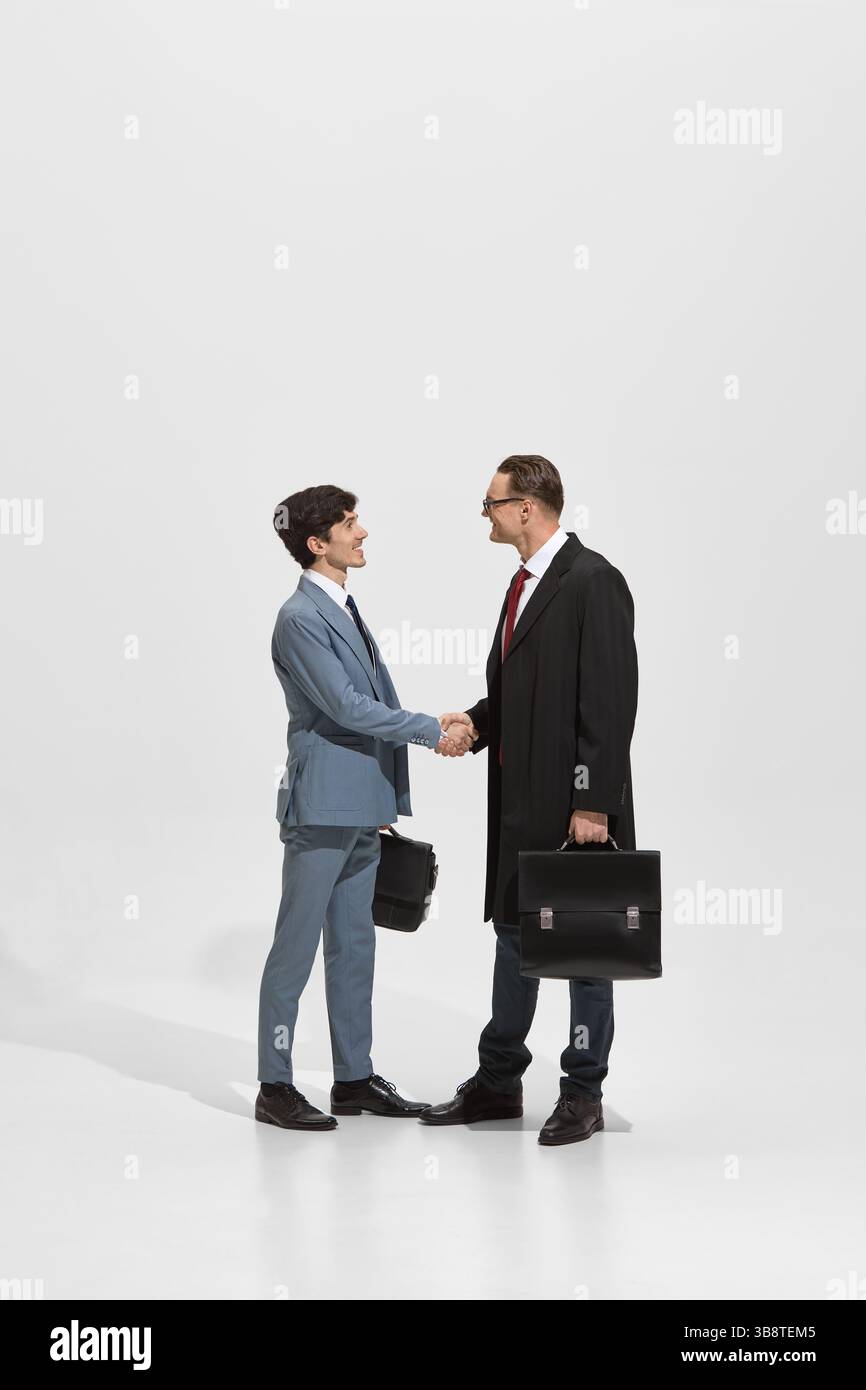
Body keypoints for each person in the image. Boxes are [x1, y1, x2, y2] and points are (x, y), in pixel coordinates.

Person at [421, 455, 638, 1146]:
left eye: (491, 503)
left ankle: (583, 1093)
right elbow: (524, 691)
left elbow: (608, 698)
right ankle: (498, 1082)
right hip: (518, 805)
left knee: (580, 947)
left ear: (527, 507)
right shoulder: (523, 585)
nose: (484, 514)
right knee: (514, 938)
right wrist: (478, 723)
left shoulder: (592, 581)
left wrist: (595, 802)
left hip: (575, 808)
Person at [256, 485, 475, 1132]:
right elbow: (348, 707)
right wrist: (434, 730)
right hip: (322, 808)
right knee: (294, 949)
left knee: (354, 947)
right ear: (316, 542)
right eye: (351, 525)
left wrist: (383, 796)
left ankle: (352, 1079)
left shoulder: (342, 607)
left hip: (357, 807)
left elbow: (362, 704)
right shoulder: (299, 619)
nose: (363, 533)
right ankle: (275, 1085)